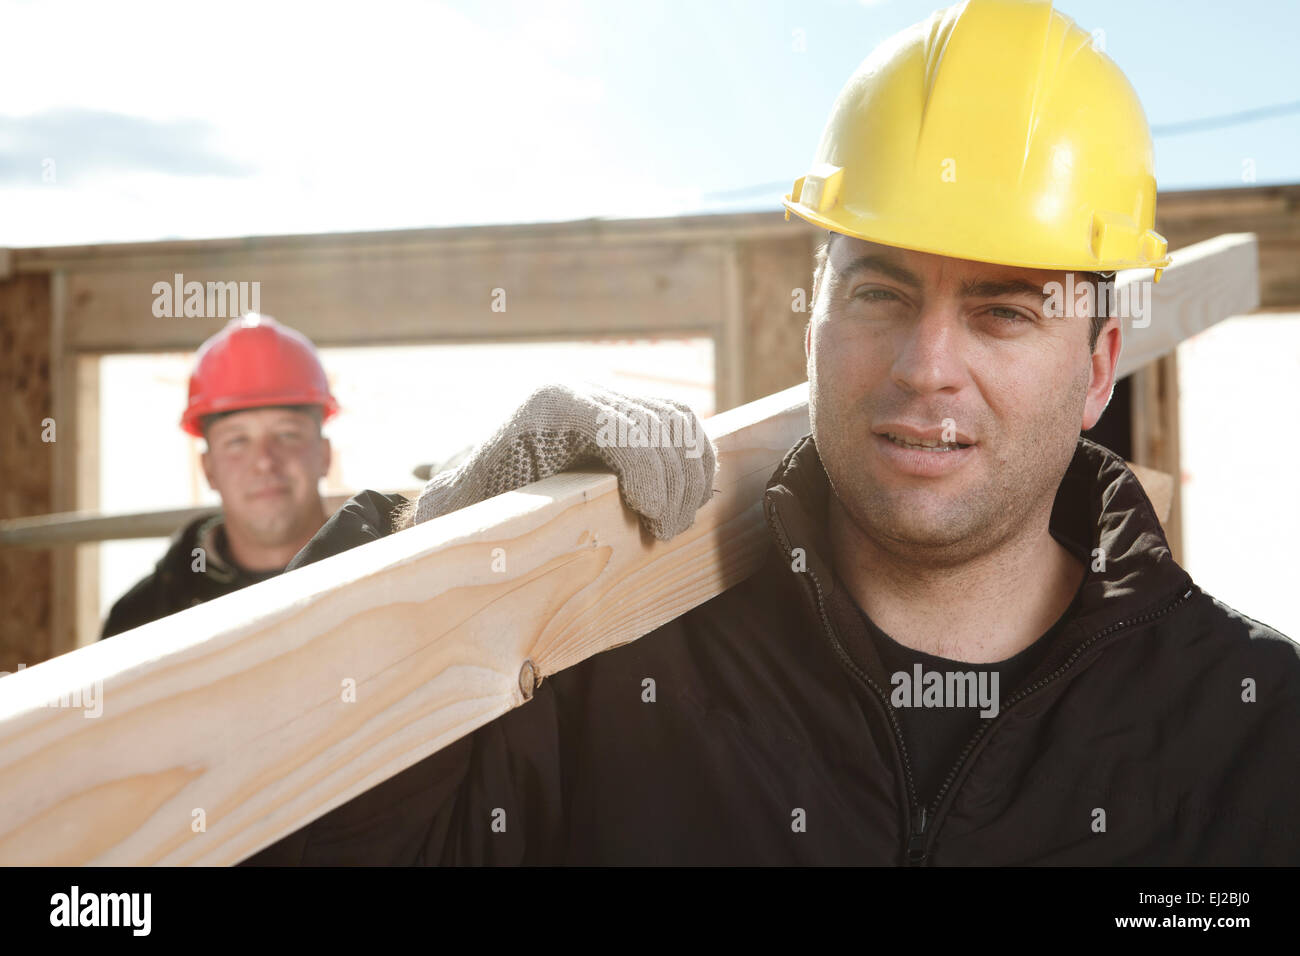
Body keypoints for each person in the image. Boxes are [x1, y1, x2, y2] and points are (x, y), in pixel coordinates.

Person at [245, 0, 1299, 865]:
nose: (924, 364)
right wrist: (440, 555)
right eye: (880, 291)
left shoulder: (1251, 729)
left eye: (1003, 311)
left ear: (1097, 365)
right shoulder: (618, 668)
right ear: (815, 311)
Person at [100, 314, 339, 638]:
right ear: (208, 469)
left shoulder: (386, 578)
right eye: (238, 441)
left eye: (287, 435)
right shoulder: (143, 619)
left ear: (324, 455)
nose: (265, 462)